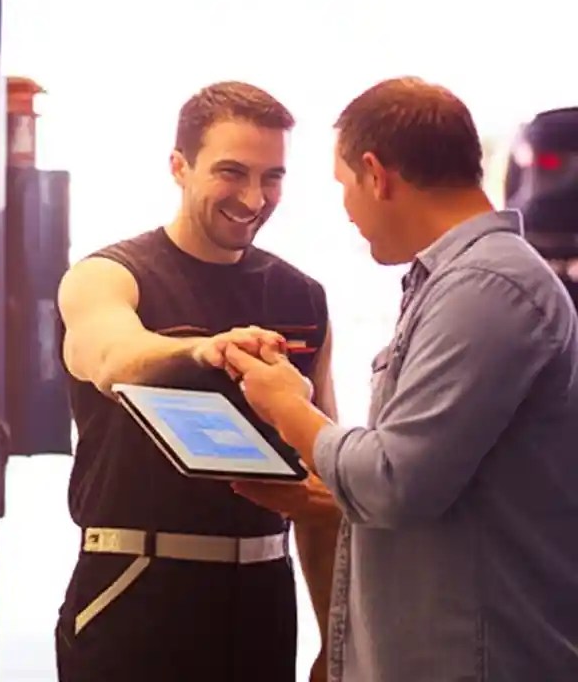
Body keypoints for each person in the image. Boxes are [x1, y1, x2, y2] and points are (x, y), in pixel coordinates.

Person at [224, 77, 578, 681]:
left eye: (344, 187)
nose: (347, 210)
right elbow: (449, 482)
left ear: (377, 174)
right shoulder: (457, 284)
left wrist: (291, 407)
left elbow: (392, 480)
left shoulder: (488, 288)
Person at [54, 80, 341, 682]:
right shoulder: (110, 276)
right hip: (134, 590)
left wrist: (333, 638)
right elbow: (113, 358)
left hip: (264, 596)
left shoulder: (302, 296)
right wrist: (204, 349)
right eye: (231, 172)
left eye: (273, 177)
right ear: (179, 167)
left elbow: (323, 486)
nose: (253, 197)